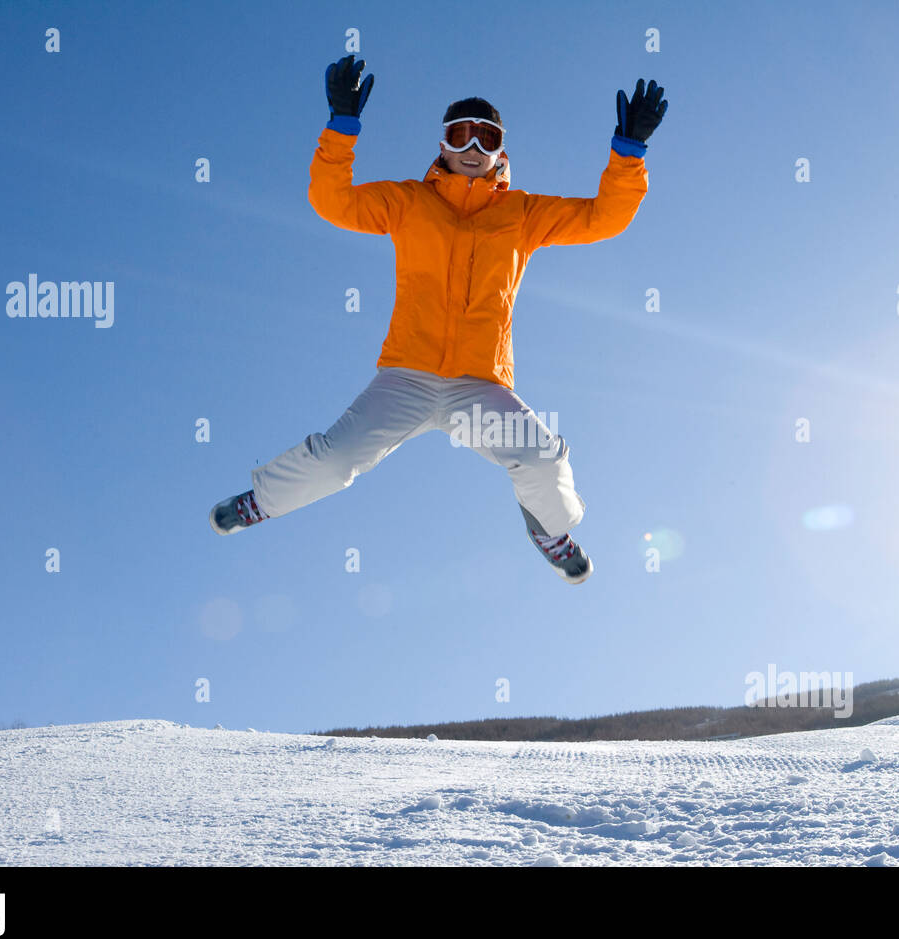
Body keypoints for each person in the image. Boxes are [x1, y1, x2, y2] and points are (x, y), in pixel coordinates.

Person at [210, 55, 667, 584]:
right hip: (407, 374)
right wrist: (341, 126)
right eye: (460, 136)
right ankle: (261, 501)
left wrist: (629, 153)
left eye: (486, 138)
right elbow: (332, 202)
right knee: (338, 459)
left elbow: (602, 218)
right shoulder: (410, 202)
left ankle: (548, 528)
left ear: (501, 150)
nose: (472, 149)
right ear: (442, 146)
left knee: (544, 459)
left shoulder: (522, 214)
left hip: (479, 386)